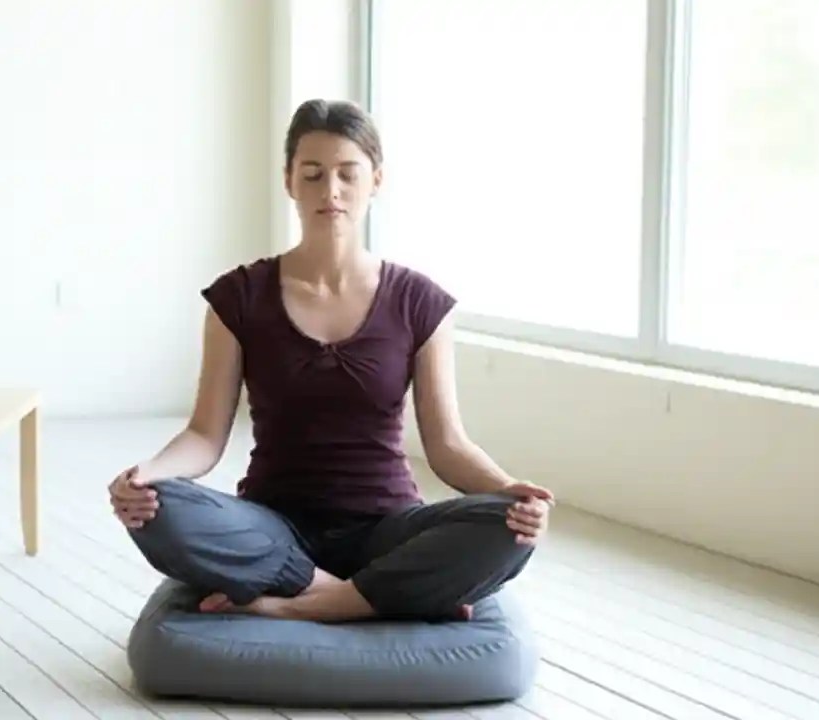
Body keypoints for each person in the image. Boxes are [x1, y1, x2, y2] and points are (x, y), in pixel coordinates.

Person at [107, 99, 554, 624]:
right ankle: (362, 597)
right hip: (274, 528)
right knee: (158, 509)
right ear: (289, 181)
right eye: (313, 175)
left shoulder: (420, 301)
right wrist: (146, 475)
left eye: (348, 174)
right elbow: (205, 436)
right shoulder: (238, 297)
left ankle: (311, 606)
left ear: (376, 180)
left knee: (508, 526)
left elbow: (448, 446)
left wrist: (510, 494)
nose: (331, 191)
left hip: (387, 529)